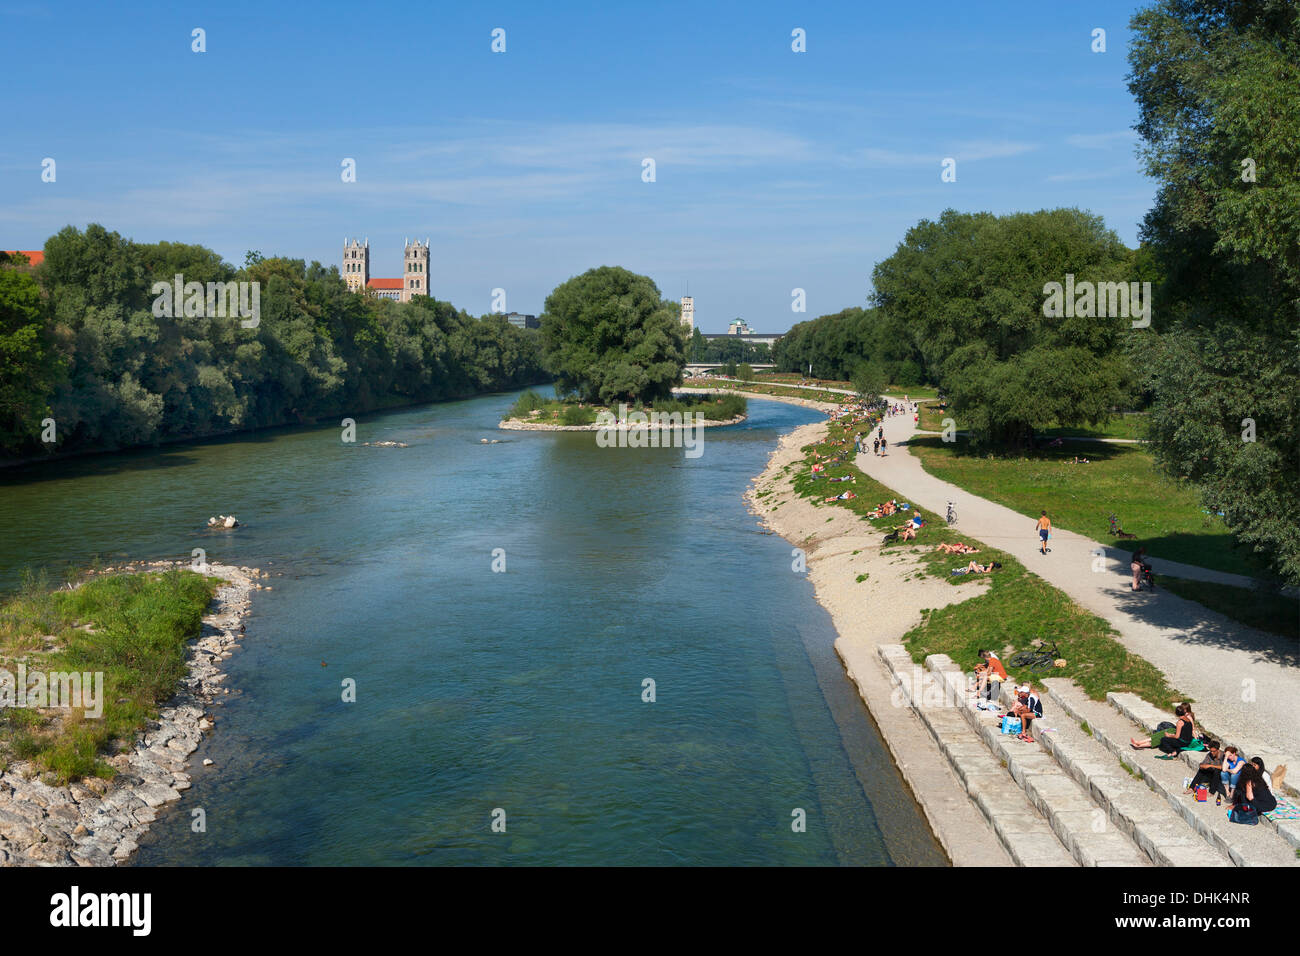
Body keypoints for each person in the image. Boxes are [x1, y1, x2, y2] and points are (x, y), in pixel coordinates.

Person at [1129, 703, 1195, 753]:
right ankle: (1139, 742)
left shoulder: (1185, 719)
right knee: (1163, 733)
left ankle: (1139, 745)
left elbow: (1191, 729)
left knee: (1161, 738)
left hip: (1181, 738)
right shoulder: (1186, 717)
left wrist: (1170, 735)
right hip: (1179, 733)